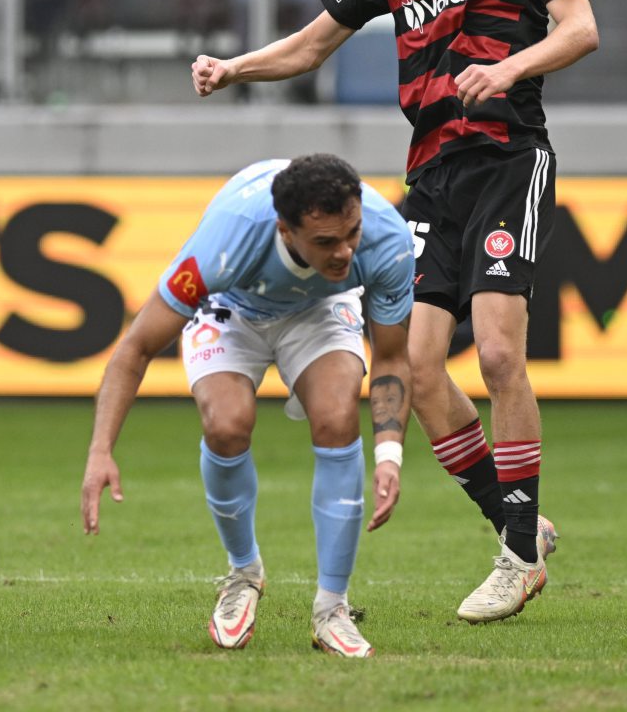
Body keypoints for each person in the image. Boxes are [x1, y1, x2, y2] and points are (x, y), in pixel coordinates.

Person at [190, 0, 599, 624]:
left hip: (509, 161)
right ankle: (519, 527)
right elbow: (311, 45)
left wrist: (511, 68)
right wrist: (234, 68)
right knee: (412, 367)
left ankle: (517, 555)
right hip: (432, 178)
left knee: (495, 353)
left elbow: (581, 27)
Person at [80, 154, 416, 656]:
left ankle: (332, 609)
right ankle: (243, 573)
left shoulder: (386, 240)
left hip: (318, 308)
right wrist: (101, 450)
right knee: (227, 425)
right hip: (233, 307)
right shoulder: (228, 241)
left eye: (351, 232)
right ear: (285, 229)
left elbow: (391, 355)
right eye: (326, 242)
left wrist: (389, 453)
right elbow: (136, 348)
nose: (346, 251)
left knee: (337, 415)